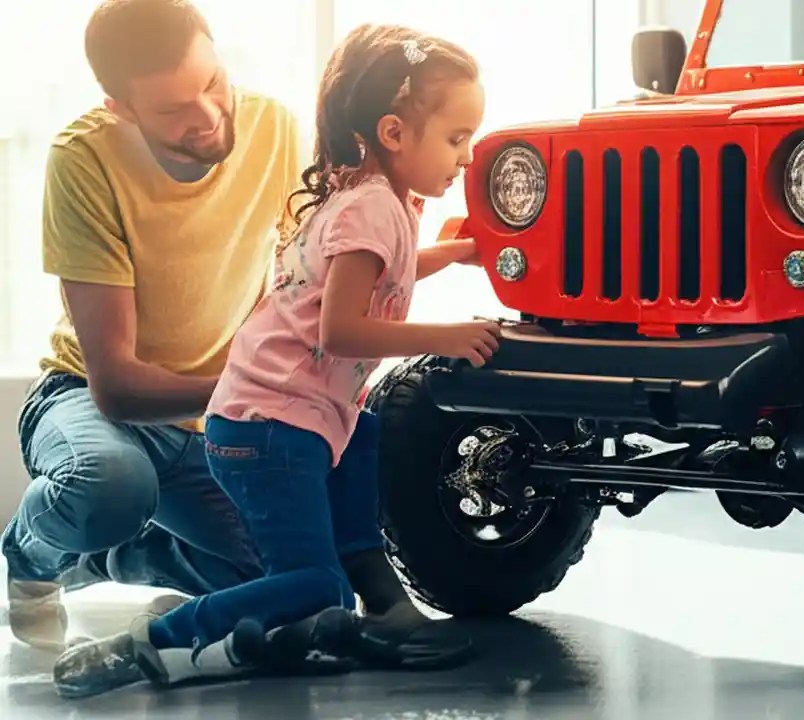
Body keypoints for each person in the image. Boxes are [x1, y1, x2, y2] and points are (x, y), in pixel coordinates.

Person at [49, 22, 501, 699]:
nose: (466, 159)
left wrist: (457, 253)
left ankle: (382, 604)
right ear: (394, 134)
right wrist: (447, 336)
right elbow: (343, 328)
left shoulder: (370, 199)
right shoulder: (374, 208)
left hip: (281, 418)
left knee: (362, 435)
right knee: (315, 586)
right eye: (457, 139)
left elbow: (385, 271)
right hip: (270, 431)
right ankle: (152, 642)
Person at [1, 0, 416, 654]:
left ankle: (117, 554)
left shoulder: (273, 128)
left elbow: (312, 274)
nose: (208, 116)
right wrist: (264, 390)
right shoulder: (83, 159)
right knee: (108, 485)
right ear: (121, 109)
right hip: (90, 400)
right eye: (171, 110)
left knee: (294, 579)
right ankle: (32, 555)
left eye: (213, 83)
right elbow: (116, 387)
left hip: (217, 420)